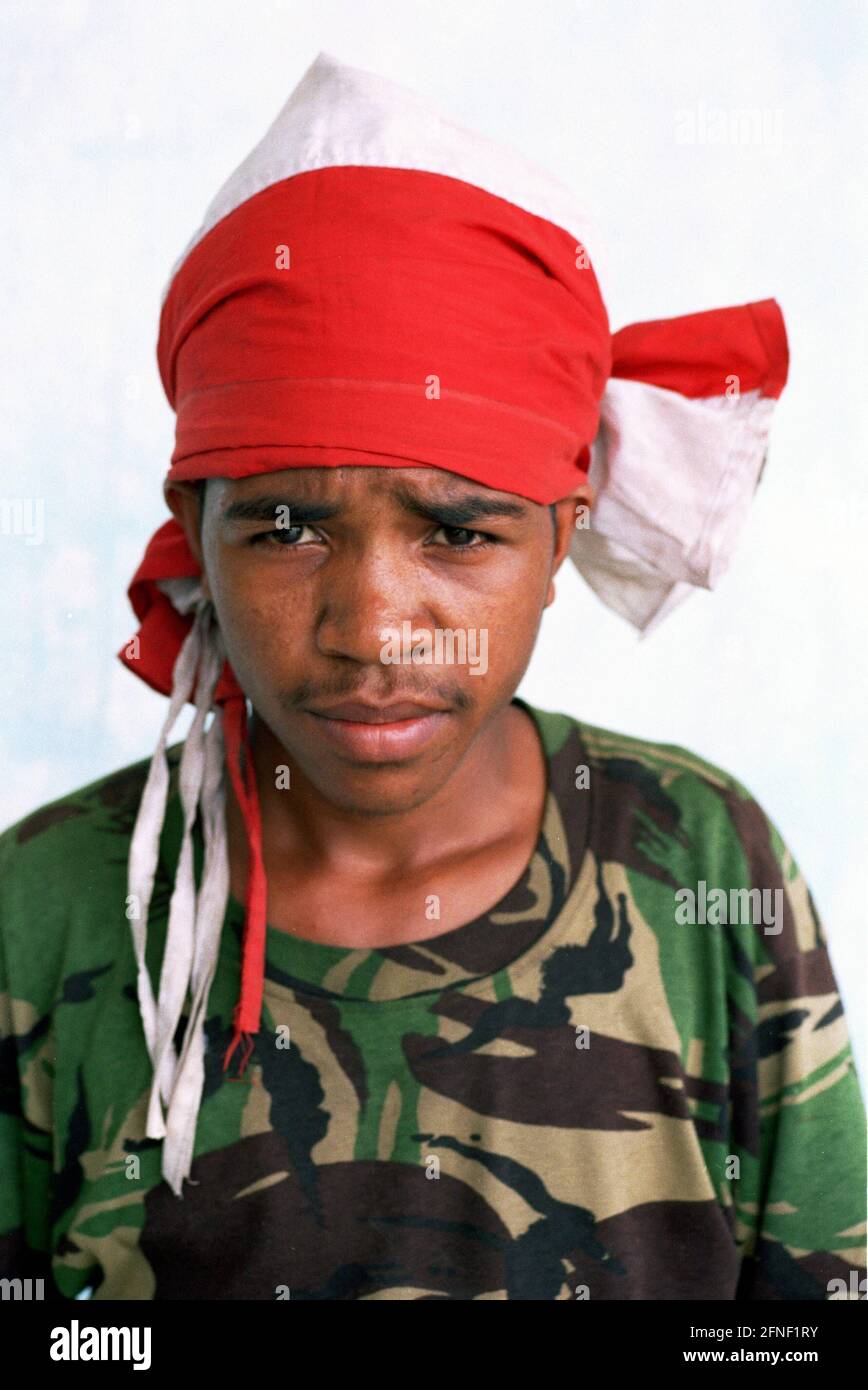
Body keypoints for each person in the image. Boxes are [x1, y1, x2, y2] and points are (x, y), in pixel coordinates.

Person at [1, 52, 864, 1302]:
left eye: (457, 532)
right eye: (287, 526)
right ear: (196, 527)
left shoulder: (705, 870)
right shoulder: (49, 911)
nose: (373, 629)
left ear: (561, 535)